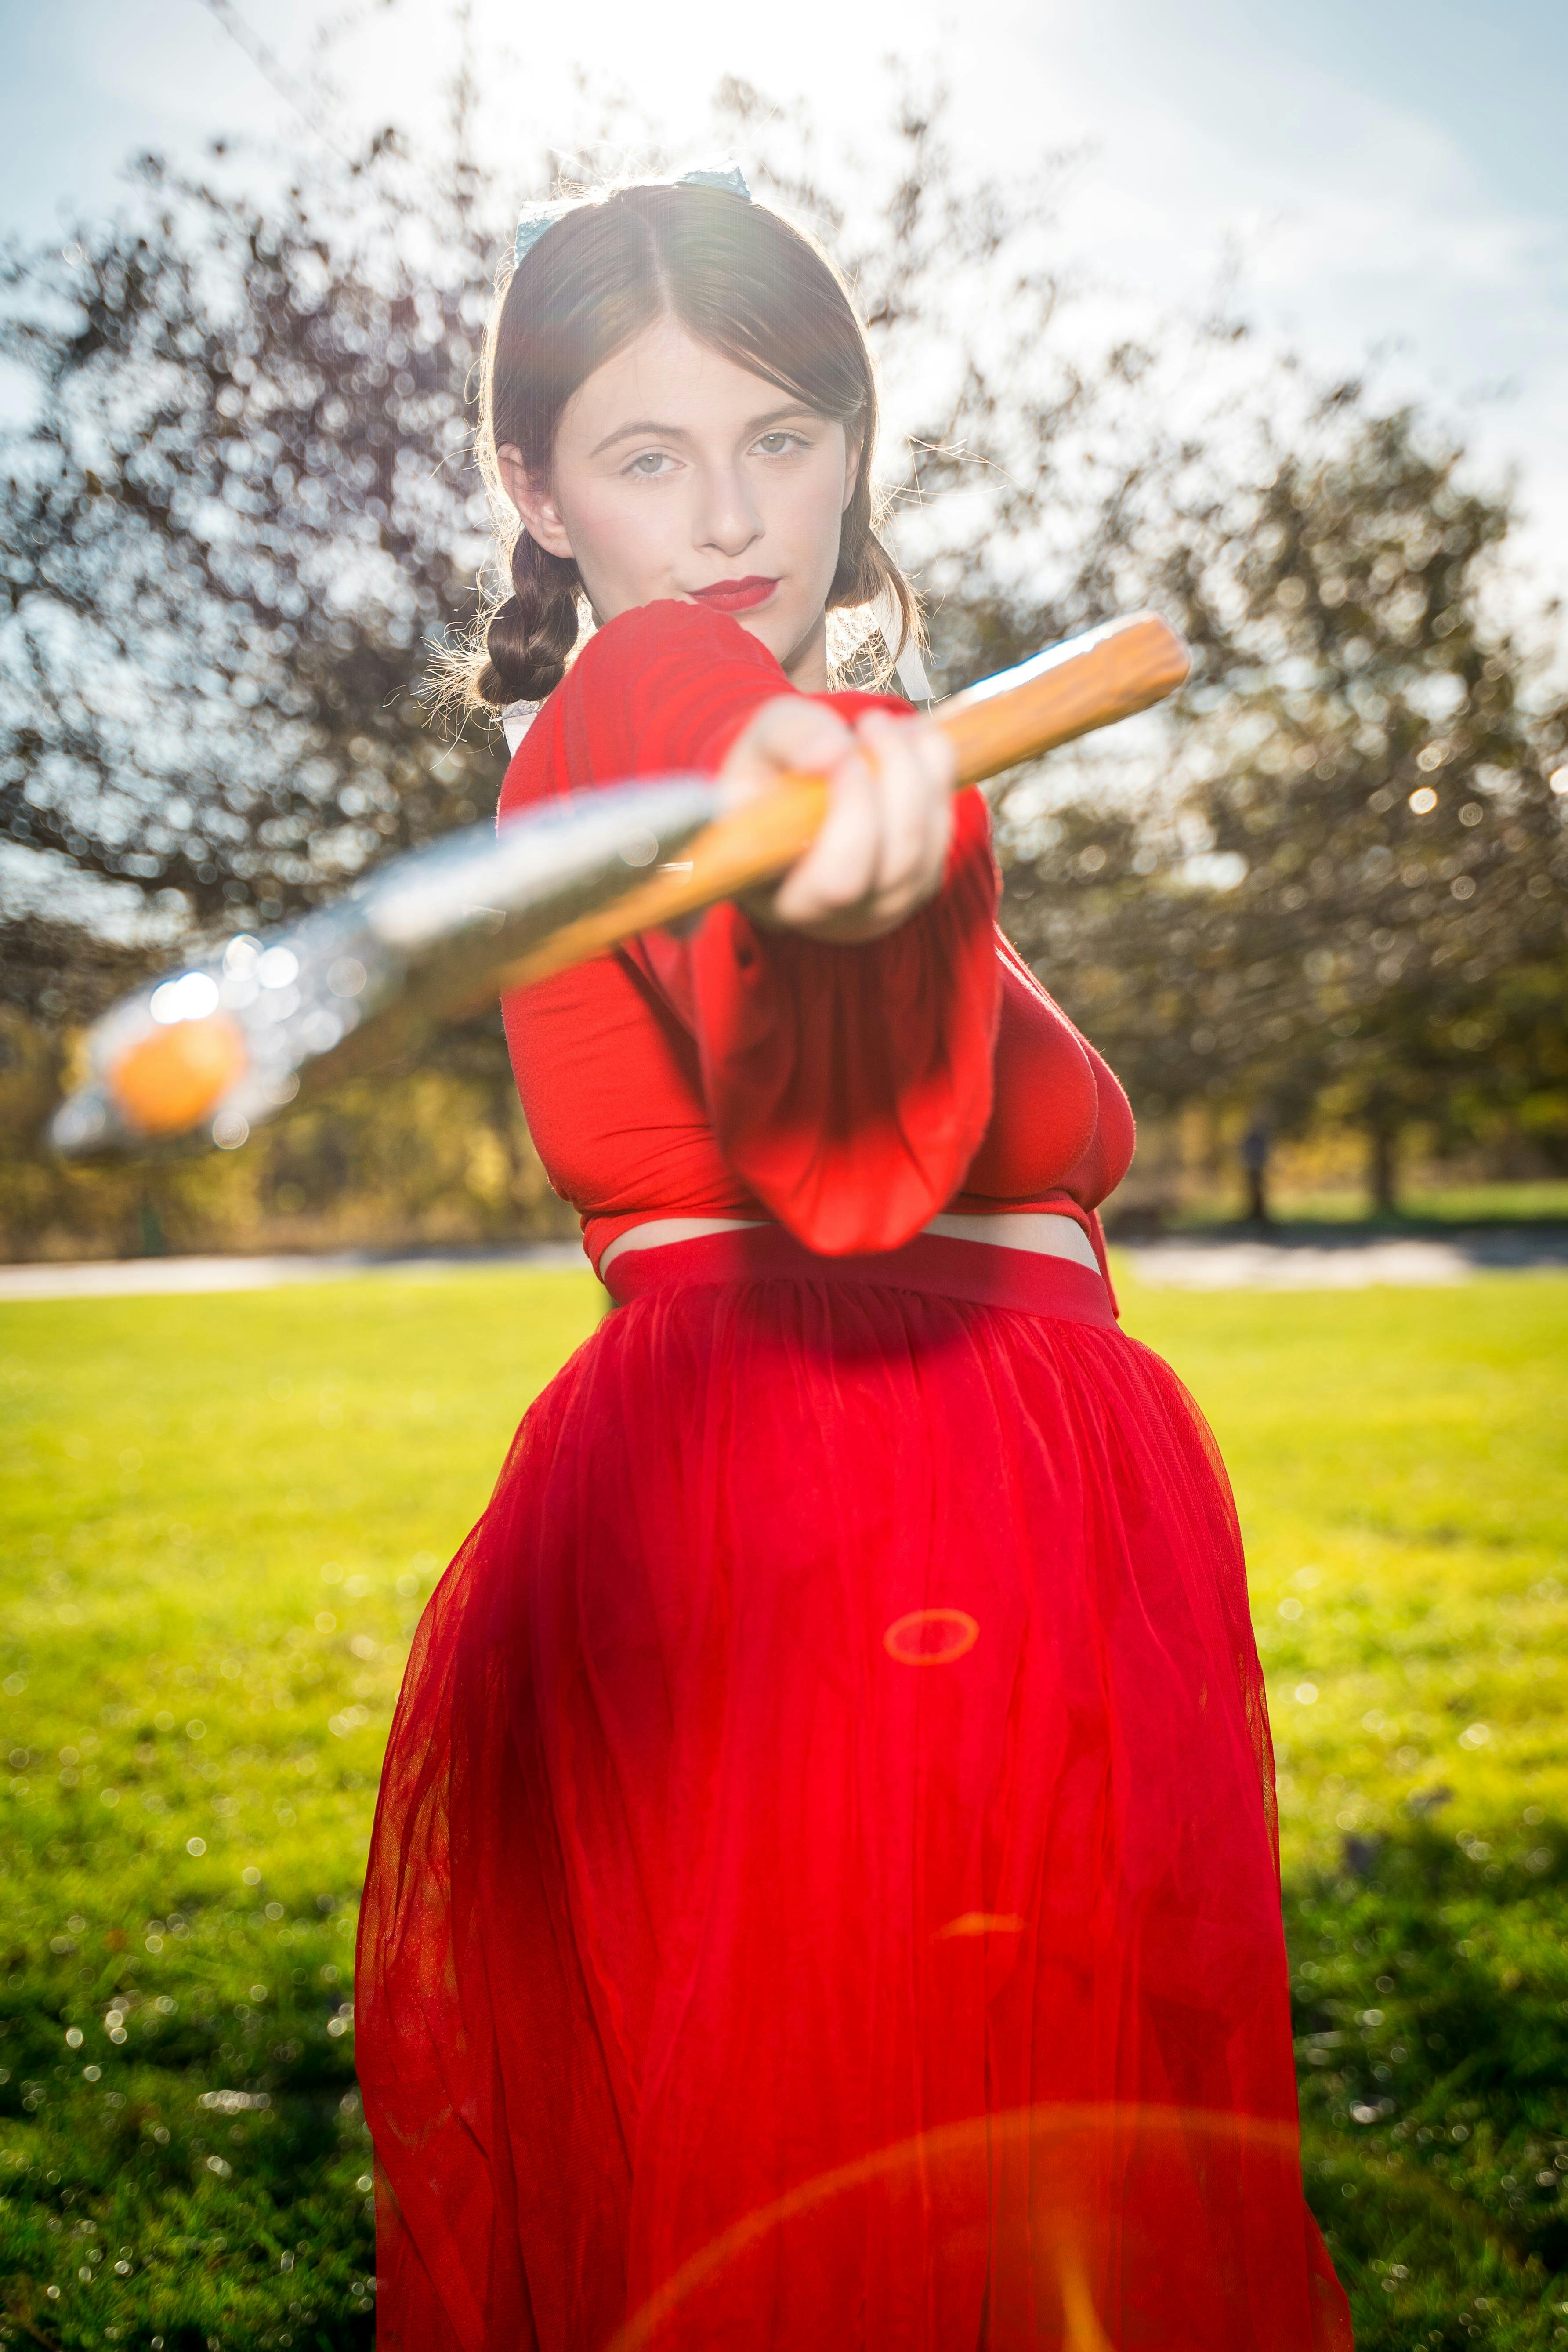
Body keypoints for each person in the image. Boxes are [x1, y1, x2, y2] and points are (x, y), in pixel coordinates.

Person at [355, 172, 1352, 2352]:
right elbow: (827, 1120)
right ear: (535, 492)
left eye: (781, 437)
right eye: (644, 456)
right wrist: (828, 903)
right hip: (864, 1506)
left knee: (985, 2201)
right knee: (875, 2207)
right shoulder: (665, 684)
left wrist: (857, 836)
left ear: (852, 441)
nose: (729, 518)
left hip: (928, 1500)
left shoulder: (781, 729)